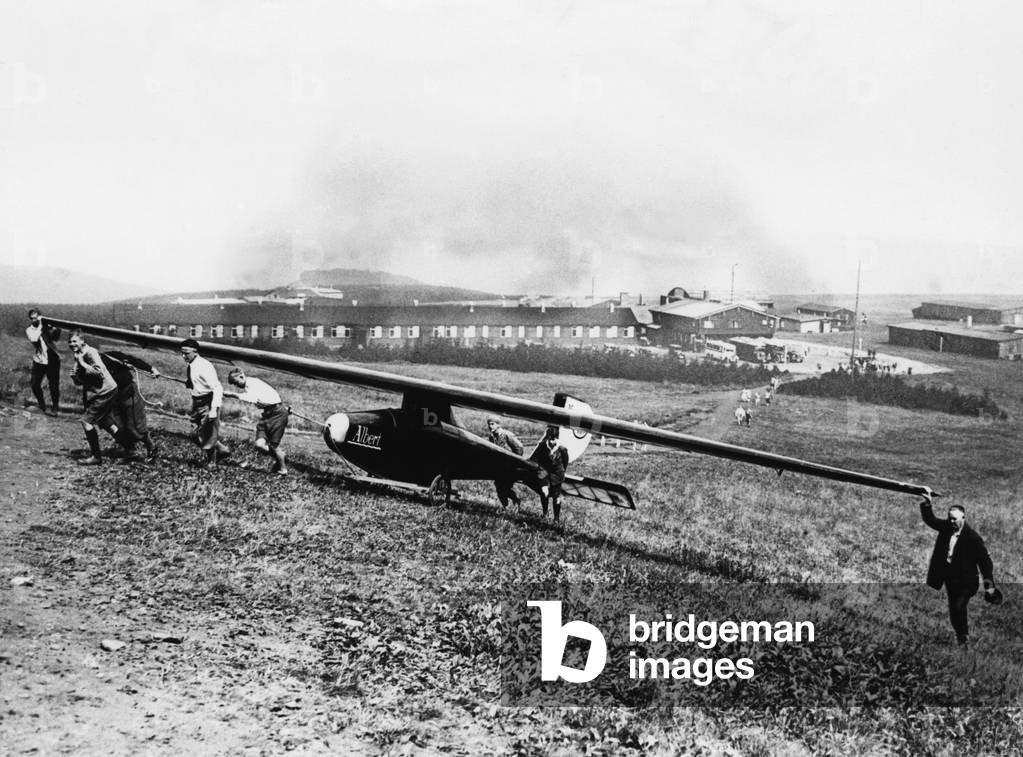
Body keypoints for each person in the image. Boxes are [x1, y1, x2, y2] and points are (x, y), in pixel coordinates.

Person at [920, 492, 998, 647]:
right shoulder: (947, 527)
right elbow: (931, 520)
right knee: (953, 611)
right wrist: (927, 503)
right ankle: (961, 636)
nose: (951, 521)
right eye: (949, 517)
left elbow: (986, 564)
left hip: (967, 582)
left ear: (963, 518)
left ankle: (964, 639)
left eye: (954, 518)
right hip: (951, 580)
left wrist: (989, 587)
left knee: (959, 607)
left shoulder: (973, 538)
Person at [68, 330, 120, 465]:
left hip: (105, 391)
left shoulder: (90, 353)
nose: (72, 344)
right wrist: (75, 376)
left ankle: (96, 457)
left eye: (75, 341)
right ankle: (130, 448)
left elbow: (99, 373)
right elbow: (81, 381)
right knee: (107, 424)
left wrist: (82, 363)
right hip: (102, 392)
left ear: (82, 341)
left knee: (86, 422)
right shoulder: (78, 354)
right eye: (70, 341)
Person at [224, 368, 289, 475]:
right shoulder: (249, 384)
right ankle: (280, 457)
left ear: (241, 376)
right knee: (259, 444)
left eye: (236, 383)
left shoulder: (252, 384)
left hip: (277, 413)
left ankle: (283, 469)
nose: (237, 386)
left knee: (274, 446)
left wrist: (232, 394)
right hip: (268, 413)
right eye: (235, 384)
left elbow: (252, 399)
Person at [100, 350, 160, 462]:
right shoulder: (87, 366)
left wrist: (151, 369)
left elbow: (133, 361)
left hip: (128, 394)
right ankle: (130, 451)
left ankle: (151, 446)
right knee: (118, 427)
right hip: (113, 399)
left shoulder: (111, 357)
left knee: (135, 429)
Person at [180, 338, 231, 467]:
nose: (183, 356)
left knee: (207, 433)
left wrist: (213, 409)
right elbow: (197, 381)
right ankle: (222, 450)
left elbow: (218, 388)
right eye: (182, 353)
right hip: (196, 401)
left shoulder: (205, 366)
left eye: (186, 353)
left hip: (208, 401)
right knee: (194, 434)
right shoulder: (192, 365)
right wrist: (190, 383)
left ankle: (211, 462)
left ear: (195, 352)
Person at [25, 309, 62, 416]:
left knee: (54, 386)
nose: (34, 320)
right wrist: (41, 325)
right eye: (31, 318)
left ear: (40, 316)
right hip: (39, 360)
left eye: (36, 317)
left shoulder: (46, 327)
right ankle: (43, 406)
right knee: (35, 385)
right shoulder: (30, 330)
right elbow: (35, 338)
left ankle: (55, 408)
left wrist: (54, 328)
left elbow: (56, 337)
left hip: (52, 360)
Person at [529, 427, 569, 522]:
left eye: (554, 439)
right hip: (544, 471)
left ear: (557, 439)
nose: (551, 442)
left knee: (556, 497)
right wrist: (540, 468)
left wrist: (561, 472)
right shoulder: (542, 446)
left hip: (557, 474)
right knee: (544, 492)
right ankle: (545, 513)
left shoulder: (562, 449)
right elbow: (535, 458)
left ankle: (556, 518)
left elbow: (565, 462)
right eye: (550, 439)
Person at [485, 415, 524, 508]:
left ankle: (516, 501)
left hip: (509, 467)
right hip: (499, 467)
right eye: (489, 424)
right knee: (499, 488)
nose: (490, 426)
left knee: (505, 487)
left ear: (498, 425)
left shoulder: (507, 435)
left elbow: (519, 448)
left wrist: (515, 461)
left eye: (492, 424)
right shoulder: (491, 436)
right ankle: (505, 507)